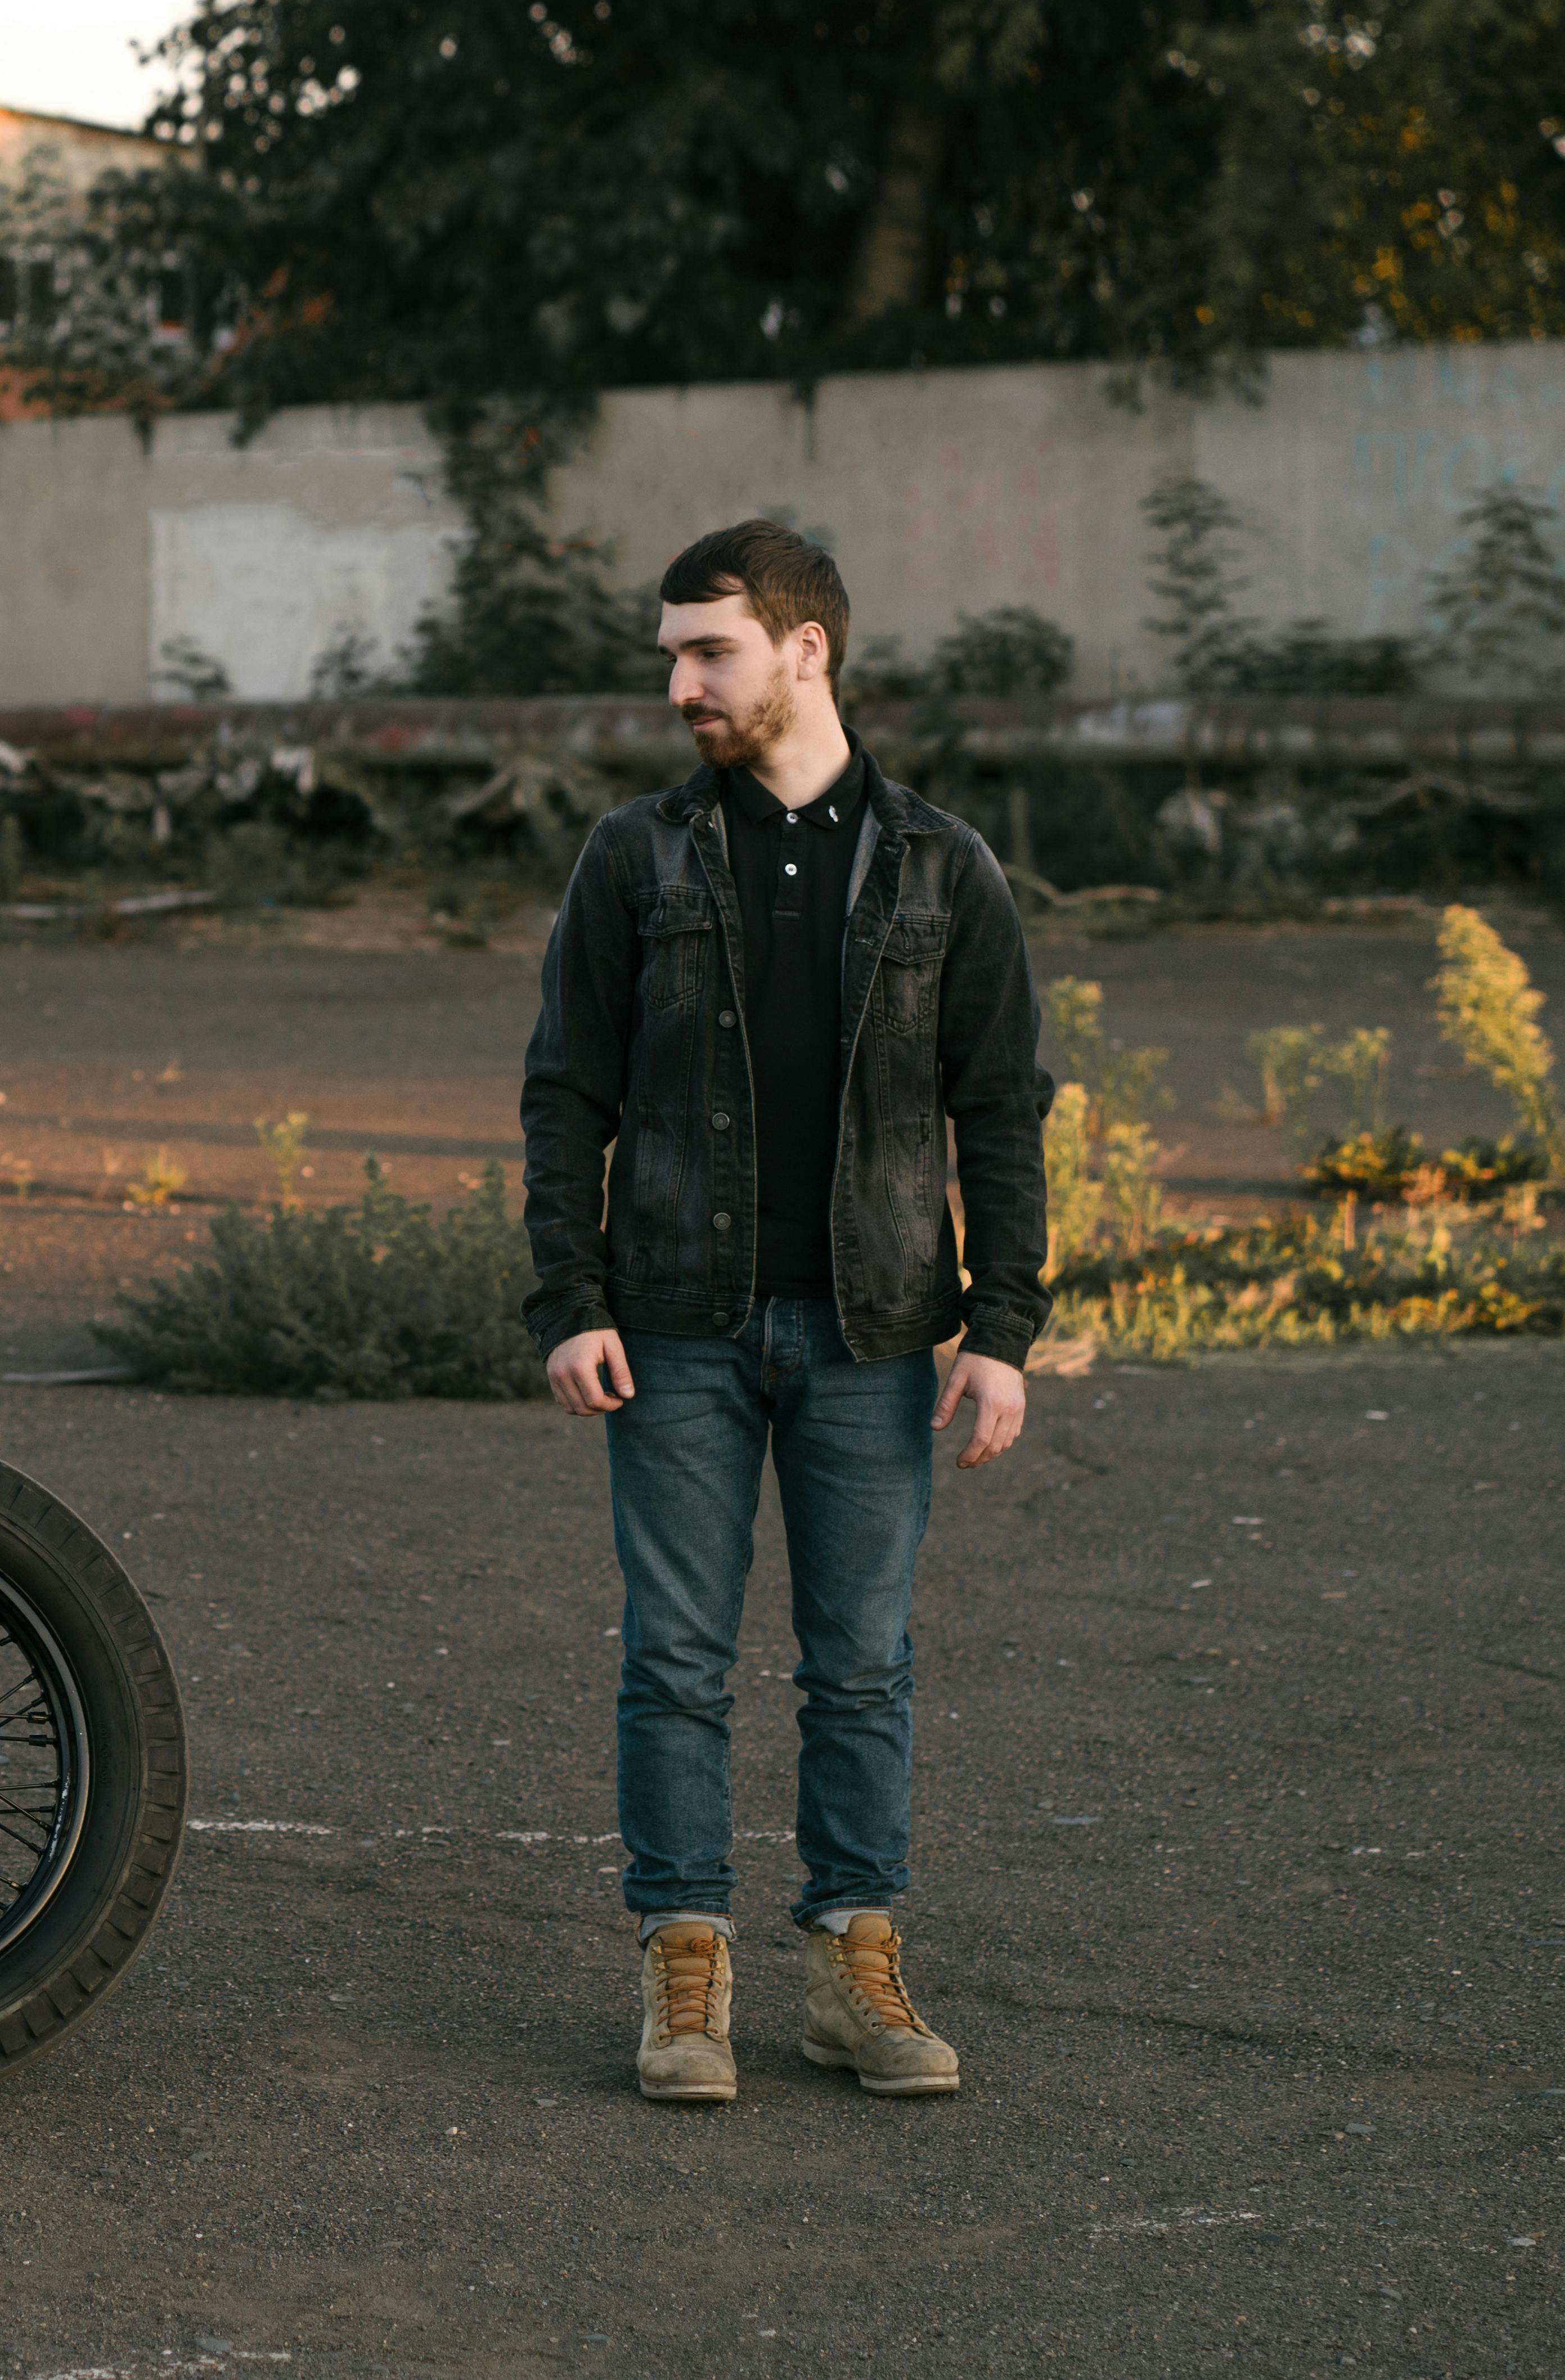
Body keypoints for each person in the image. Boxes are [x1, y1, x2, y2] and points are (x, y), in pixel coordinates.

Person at [517, 519, 1050, 2105]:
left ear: (805, 649)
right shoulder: (636, 855)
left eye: (709, 651)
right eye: (671, 654)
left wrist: (1005, 1325)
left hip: (876, 1329)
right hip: (675, 1321)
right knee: (675, 1657)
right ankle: (687, 1973)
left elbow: (1003, 1105)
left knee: (863, 1661)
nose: (680, 681)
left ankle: (852, 1970)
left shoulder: (946, 864)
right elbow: (568, 1092)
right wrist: (571, 1294)